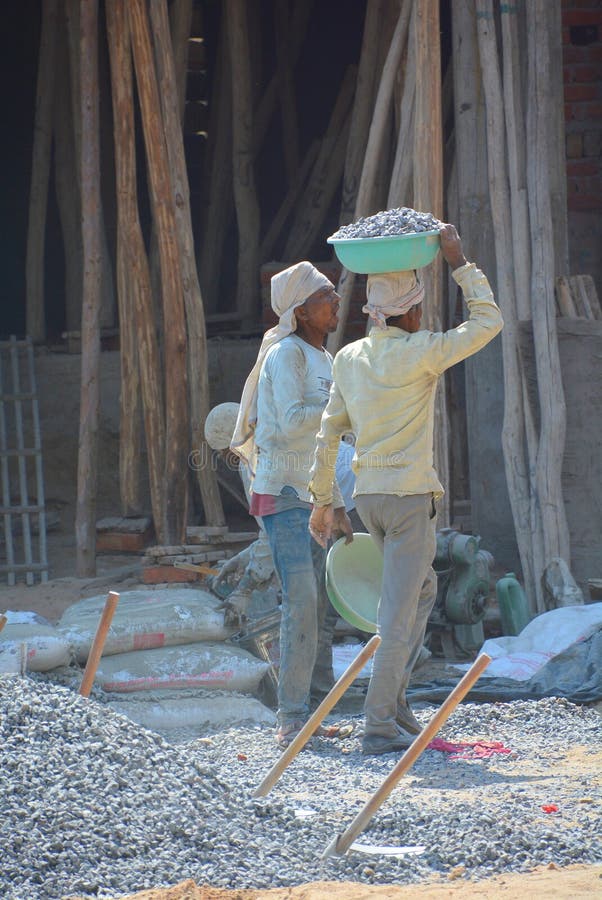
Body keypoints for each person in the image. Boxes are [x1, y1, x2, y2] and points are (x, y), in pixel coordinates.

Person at [308, 224, 503, 755]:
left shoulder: (347, 358)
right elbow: (488, 320)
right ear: (410, 313)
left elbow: (329, 431)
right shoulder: (422, 351)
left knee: (420, 591)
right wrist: (460, 262)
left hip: (368, 497)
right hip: (410, 498)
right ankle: (377, 726)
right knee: (398, 613)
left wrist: (324, 501)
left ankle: (395, 708)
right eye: (420, 310)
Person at [231, 261, 353, 749]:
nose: (336, 302)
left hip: (315, 494)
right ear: (301, 311)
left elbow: (323, 446)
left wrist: (336, 502)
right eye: (326, 296)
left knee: (322, 607)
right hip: (283, 495)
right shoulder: (287, 355)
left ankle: (316, 708)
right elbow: (284, 424)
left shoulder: (326, 359)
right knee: (300, 601)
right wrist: (342, 412)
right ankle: (292, 718)